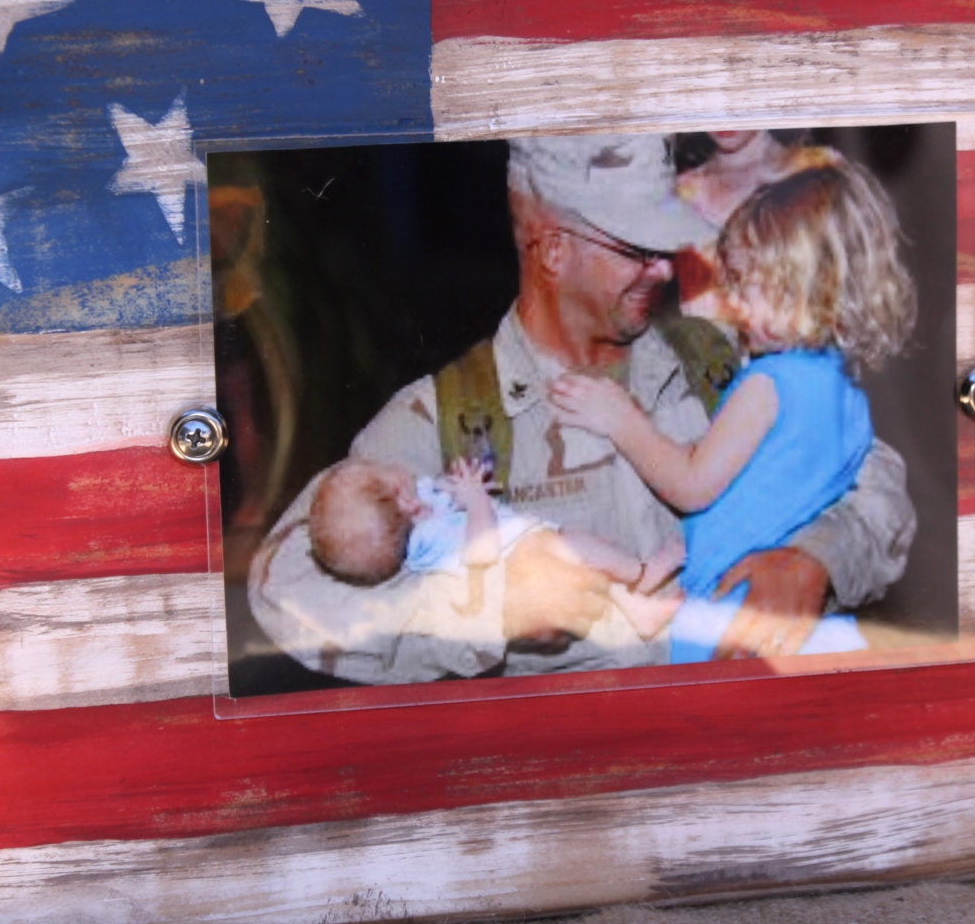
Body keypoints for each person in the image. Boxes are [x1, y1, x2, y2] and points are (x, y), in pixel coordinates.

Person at [248, 133, 916, 686]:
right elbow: (285, 589)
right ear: (552, 248)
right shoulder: (447, 419)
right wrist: (490, 607)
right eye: (633, 249)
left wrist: (816, 559)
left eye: (665, 245)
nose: (662, 271)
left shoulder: (715, 360)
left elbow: (874, 474)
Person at [551, 146, 915, 661]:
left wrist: (621, 419)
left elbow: (693, 487)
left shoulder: (766, 382)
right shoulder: (846, 392)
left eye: (751, 288)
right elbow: (774, 490)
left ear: (812, 289)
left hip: (726, 611)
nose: (735, 305)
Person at [306, 455, 683, 638]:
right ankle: (645, 573)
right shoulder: (427, 541)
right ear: (401, 499)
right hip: (525, 564)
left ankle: (637, 610)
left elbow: (440, 495)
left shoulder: (418, 511)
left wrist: (459, 482)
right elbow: (480, 550)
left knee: (592, 560)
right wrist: (475, 499)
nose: (395, 466)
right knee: (590, 552)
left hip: (531, 548)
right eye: (384, 470)